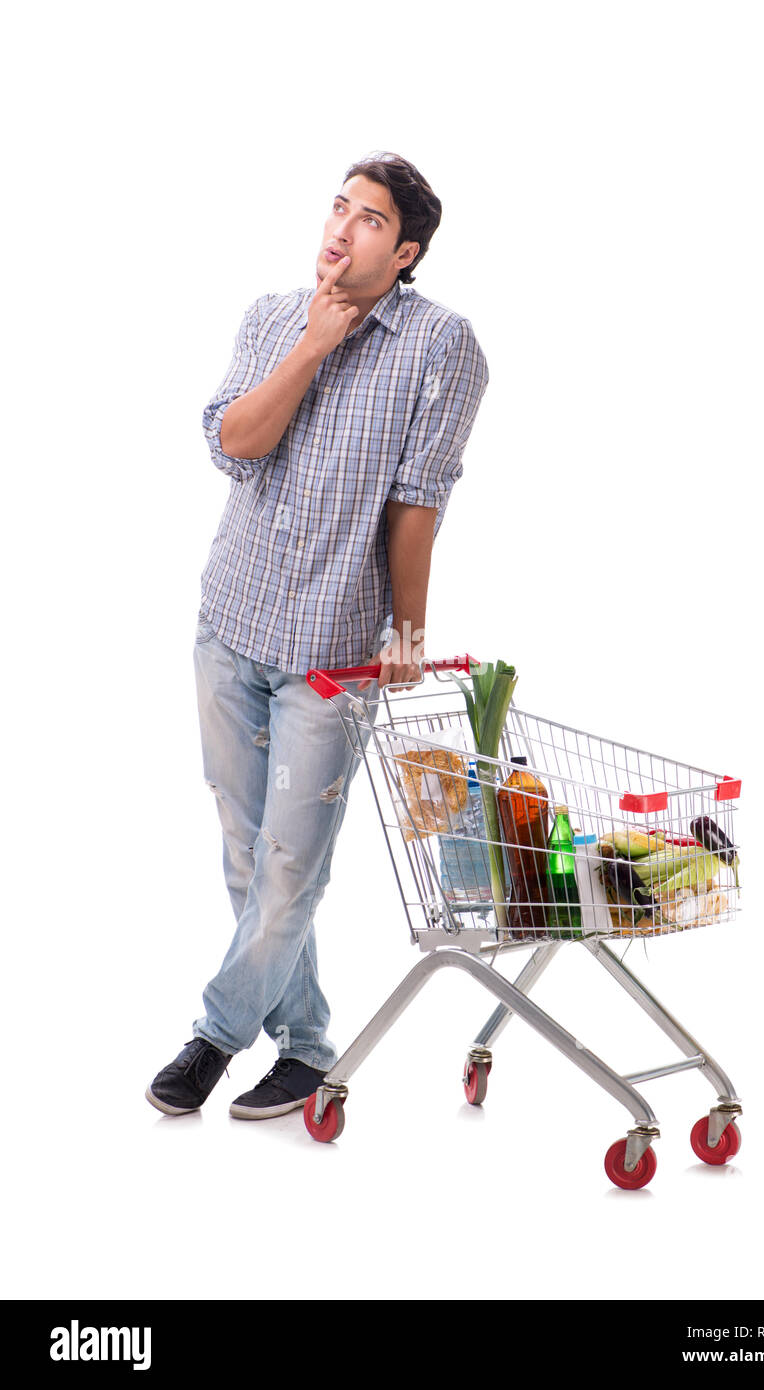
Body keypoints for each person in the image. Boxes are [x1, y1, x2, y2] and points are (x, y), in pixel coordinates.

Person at [146, 152, 490, 1120]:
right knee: (248, 853)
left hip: (334, 653)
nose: (342, 227)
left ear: (407, 249)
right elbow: (233, 443)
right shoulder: (270, 315)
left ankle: (216, 1034)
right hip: (231, 619)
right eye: (339, 207)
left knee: (294, 863)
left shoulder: (442, 347)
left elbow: (419, 503)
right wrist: (309, 345)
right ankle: (305, 1045)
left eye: (371, 219)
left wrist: (407, 628)